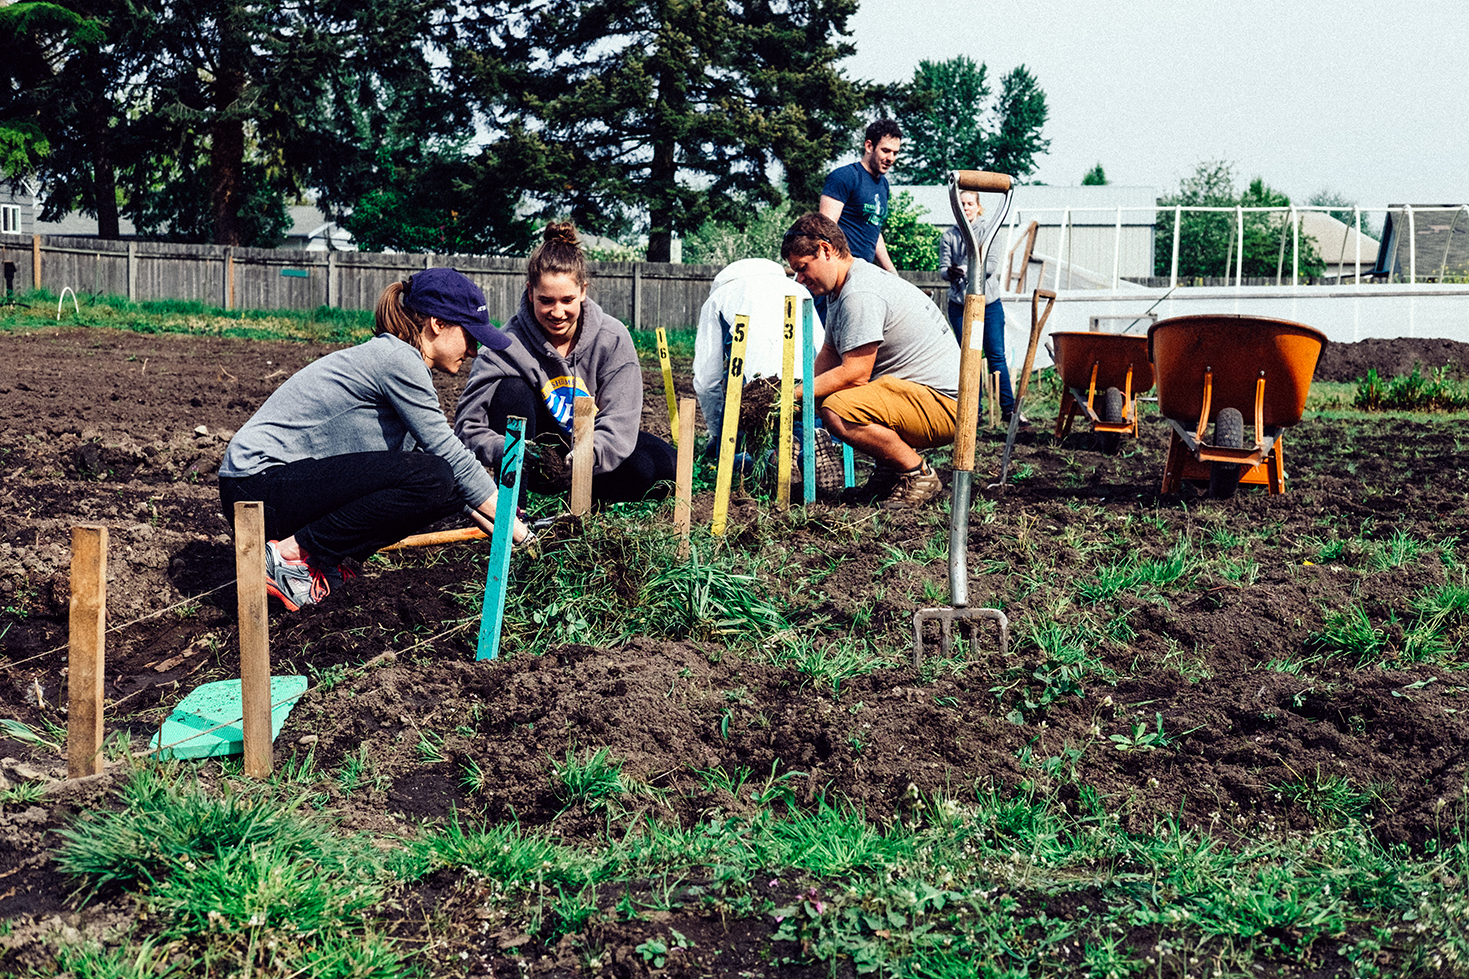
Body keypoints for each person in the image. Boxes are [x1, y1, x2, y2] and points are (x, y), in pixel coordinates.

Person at [219, 267, 530, 611]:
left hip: (278, 489)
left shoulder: (400, 361)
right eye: (470, 336)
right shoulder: (397, 359)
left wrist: (508, 531)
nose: (473, 351)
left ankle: (323, 561)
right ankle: (289, 556)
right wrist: (525, 538)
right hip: (256, 488)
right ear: (438, 323)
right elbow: (449, 455)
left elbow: (456, 485)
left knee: (444, 486)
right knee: (434, 476)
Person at [455, 222, 676, 505]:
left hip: (589, 452)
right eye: (546, 301)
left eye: (567, 300)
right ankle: (514, 512)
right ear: (530, 292)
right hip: (535, 456)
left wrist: (588, 456)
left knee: (661, 466)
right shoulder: (505, 344)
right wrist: (508, 450)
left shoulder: (612, 337)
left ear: (583, 291)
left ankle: (582, 507)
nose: (557, 312)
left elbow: (620, 420)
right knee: (511, 390)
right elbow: (468, 425)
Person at [780, 213, 961, 509]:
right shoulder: (844, 288)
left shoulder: (860, 293)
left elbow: (855, 374)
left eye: (802, 268)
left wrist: (792, 395)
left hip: (945, 407)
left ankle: (918, 473)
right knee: (829, 399)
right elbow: (829, 354)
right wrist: (798, 392)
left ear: (825, 250)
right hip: (920, 396)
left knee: (837, 409)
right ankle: (890, 474)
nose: (799, 279)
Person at [692, 258, 841, 494]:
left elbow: (706, 380)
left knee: (727, 459)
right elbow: (822, 346)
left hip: (753, 393)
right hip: (804, 386)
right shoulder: (798, 290)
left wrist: (717, 432)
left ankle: (771, 459)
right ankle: (810, 455)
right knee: (803, 435)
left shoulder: (720, 297)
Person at [939, 190, 1022, 426]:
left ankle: (1009, 410)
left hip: (988, 304)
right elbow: (943, 269)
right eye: (962, 204)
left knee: (996, 355)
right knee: (970, 357)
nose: (966, 207)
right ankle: (973, 411)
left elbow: (991, 265)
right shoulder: (949, 236)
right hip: (961, 305)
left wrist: (964, 269)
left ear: (978, 207)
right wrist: (949, 273)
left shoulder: (989, 231)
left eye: (970, 203)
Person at [819, 118, 903, 273]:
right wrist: (842, 268)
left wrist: (891, 271)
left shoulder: (883, 185)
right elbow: (824, 229)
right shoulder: (845, 177)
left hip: (862, 272)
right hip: (838, 271)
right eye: (886, 151)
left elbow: (873, 229)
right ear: (869, 146)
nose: (891, 158)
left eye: (895, 153)